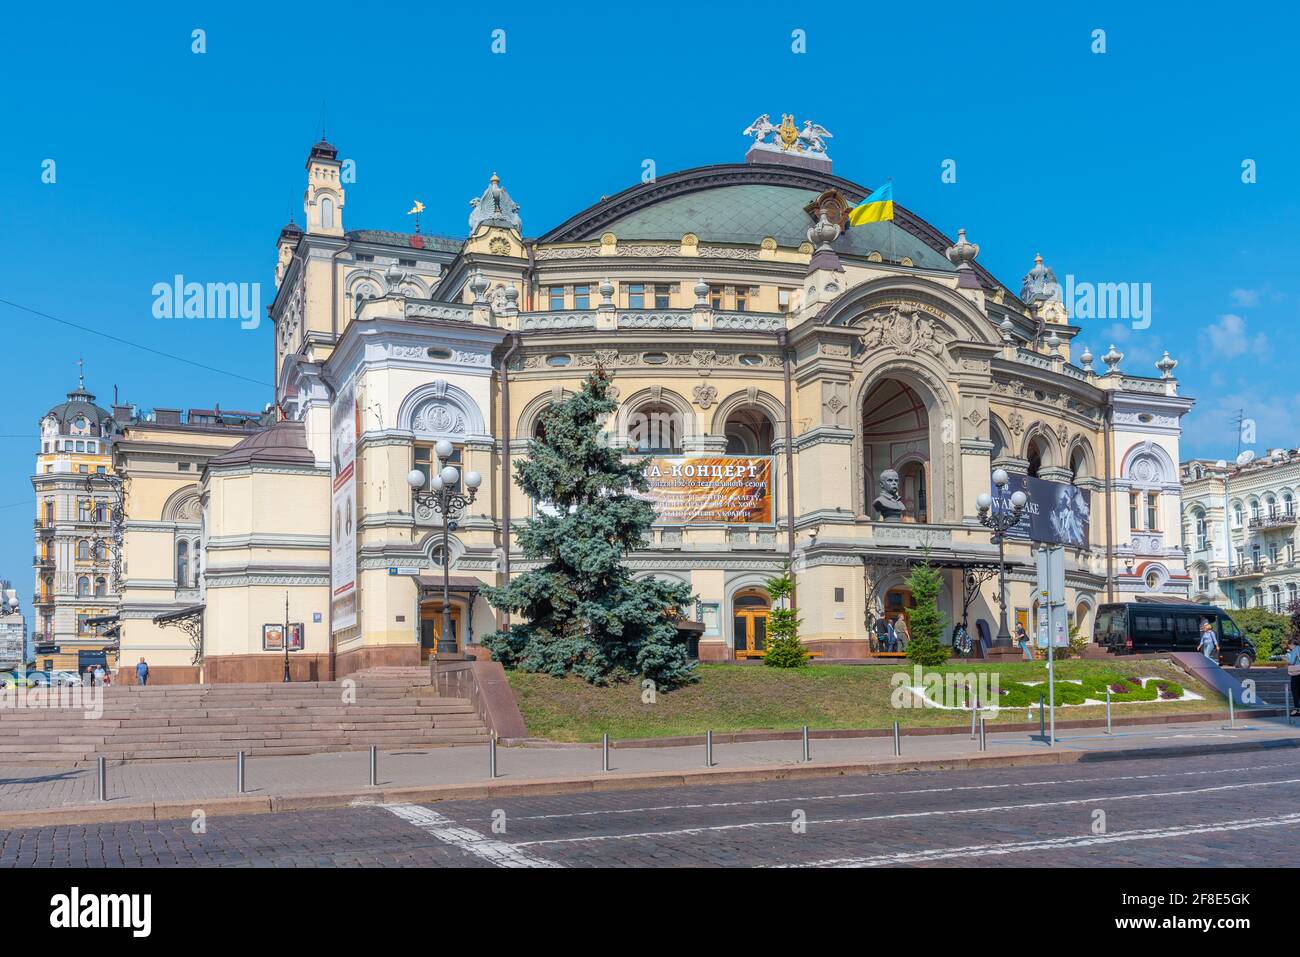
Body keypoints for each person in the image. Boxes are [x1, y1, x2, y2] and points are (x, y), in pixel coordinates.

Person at [1286, 638, 1300, 718]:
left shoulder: (1295, 650)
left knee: (1295, 691)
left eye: (1289, 645)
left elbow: (1291, 661)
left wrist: (1288, 655)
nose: (1289, 647)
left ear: (1292, 644)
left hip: (1297, 673)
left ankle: (1296, 709)